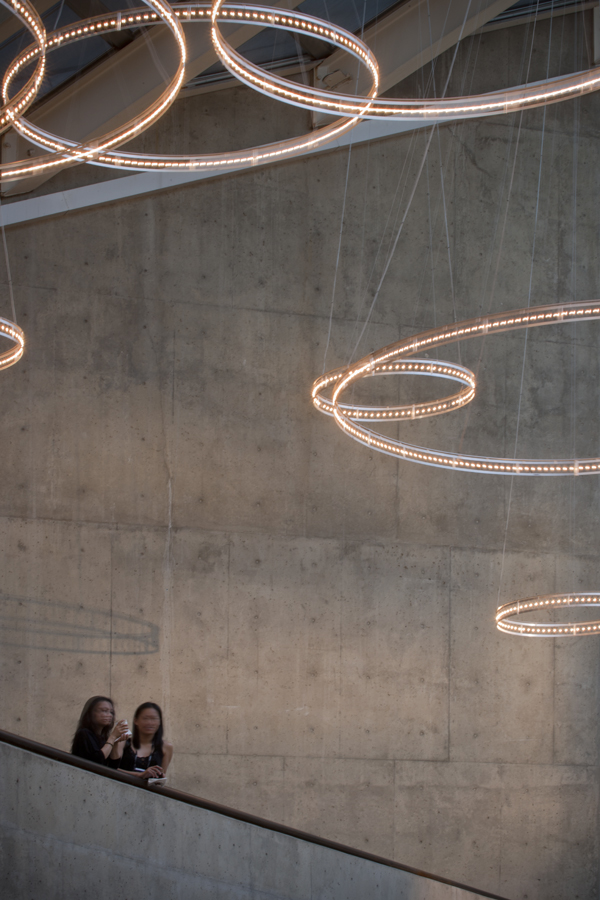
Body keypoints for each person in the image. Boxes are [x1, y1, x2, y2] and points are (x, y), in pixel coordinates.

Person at [118, 702, 173, 780]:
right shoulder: (123, 742)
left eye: (154, 719)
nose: (149, 723)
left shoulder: (166, 747)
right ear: (136, 721)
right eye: (145, 718)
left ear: (159, 721)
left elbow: (161, 777)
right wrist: (140, 775)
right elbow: (112, 769)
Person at [71, 696, 129, 767]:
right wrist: (113, 737)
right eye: (104, 711)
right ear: (90, 713)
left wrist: (116, 742)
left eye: (111, 712)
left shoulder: (104, 738)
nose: (109, 715)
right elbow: (97, 760)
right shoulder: (83, 733)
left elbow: (113, 766)